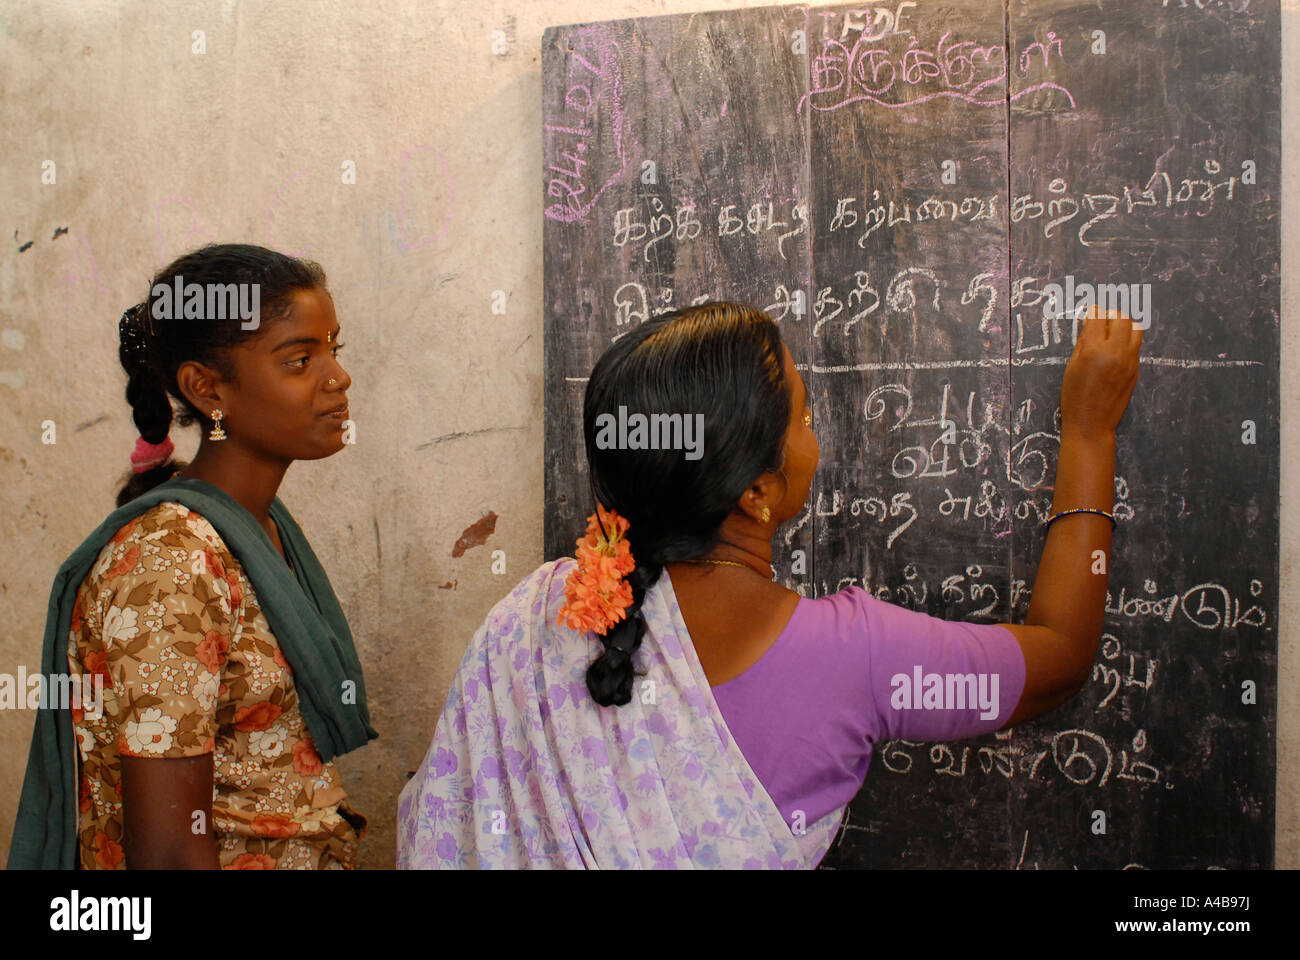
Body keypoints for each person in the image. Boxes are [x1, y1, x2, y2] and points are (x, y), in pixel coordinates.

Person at [397, 300, 1141, 869]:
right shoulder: (859, 658)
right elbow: (1062, 654)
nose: (815, 436)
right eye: (804, 415)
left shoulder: (534, 616)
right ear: (757, 491)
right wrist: (1088, 432)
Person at [8, 243, 377, 870]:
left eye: (332, 351)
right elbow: (172, 851)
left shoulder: (256, 530)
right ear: (206, 388)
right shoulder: (172, 563)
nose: (337, 377)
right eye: (299, 360)